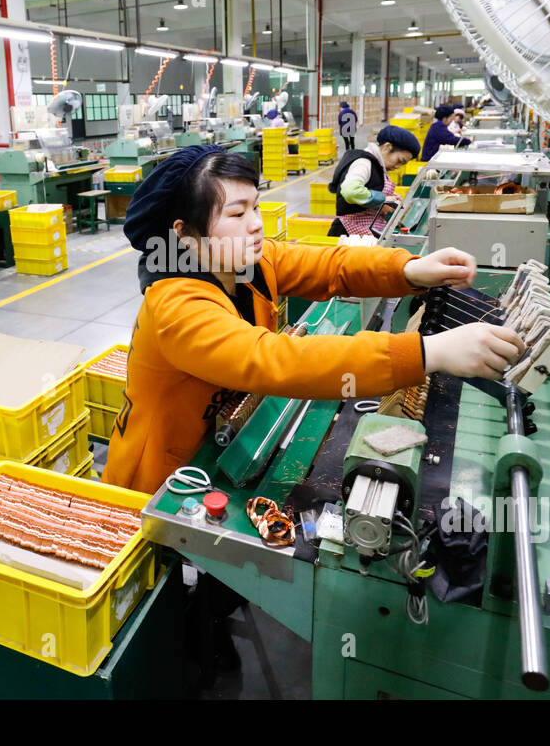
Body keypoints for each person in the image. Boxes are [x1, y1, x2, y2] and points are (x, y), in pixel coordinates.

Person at [102, 144, 523, 496]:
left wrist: (408, 270)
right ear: (184, 233)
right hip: (164, 478)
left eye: (256, 207)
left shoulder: (250, 259)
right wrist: (428, 352)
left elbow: (329, 265)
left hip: (218, 442)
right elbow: (275, 359)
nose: (255, 225)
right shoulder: (175, 305)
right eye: (236, 214)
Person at [326, 124, 421, 238]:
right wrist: (383, 200)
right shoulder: (364, 163)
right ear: (387, 147)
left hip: (367, 228)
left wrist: (389, 199)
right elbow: (350, 191)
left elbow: (370, 188)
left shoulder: (378, 165)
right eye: (399, 161)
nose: (398, 167)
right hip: (350, 232)